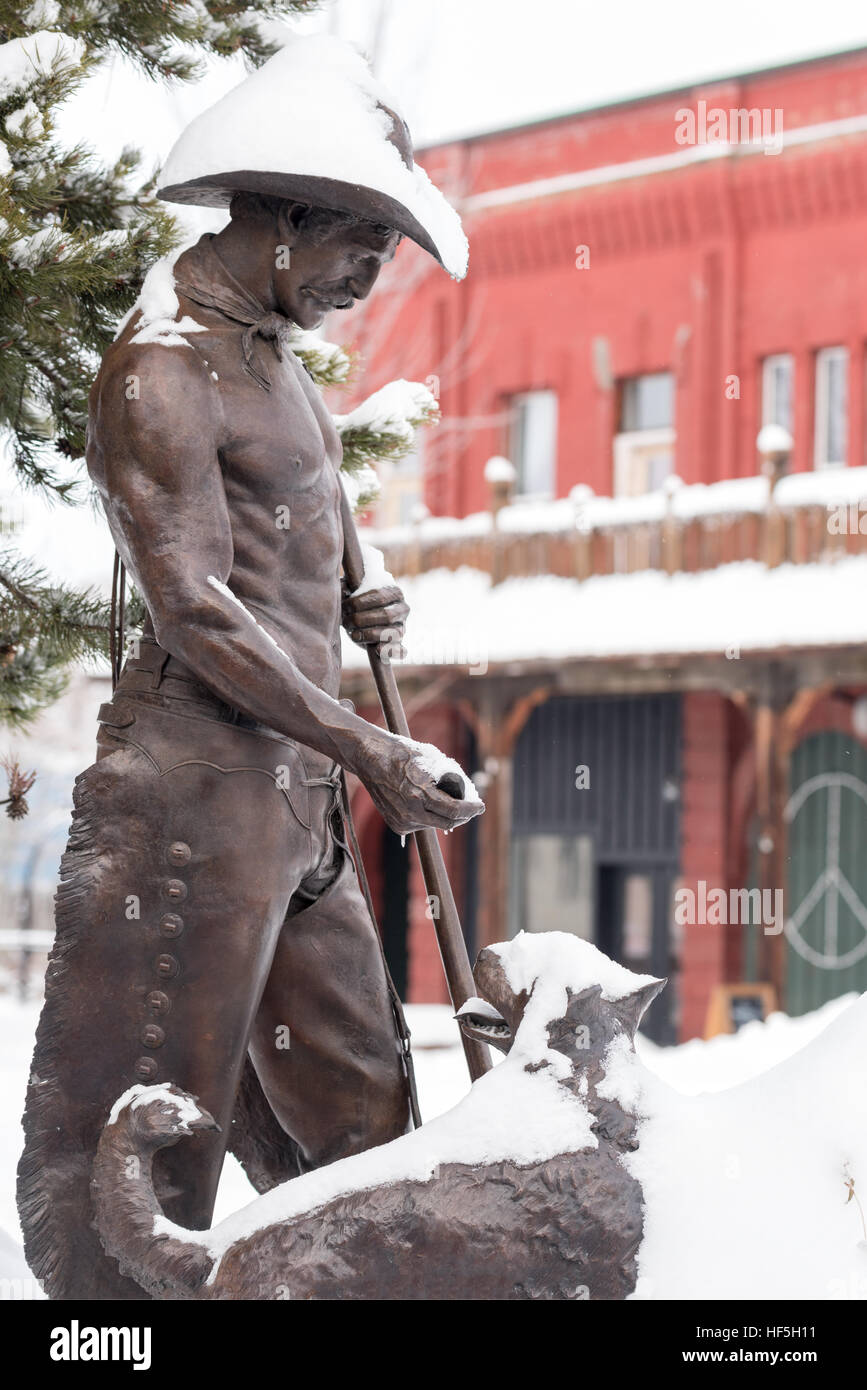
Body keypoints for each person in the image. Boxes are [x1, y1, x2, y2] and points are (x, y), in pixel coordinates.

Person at [18, 34, 479, 1301]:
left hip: (298, 795)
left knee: (366, 1110)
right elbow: (195, 607)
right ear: (279, 219)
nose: (363, 284)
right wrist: (370, 742)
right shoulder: (159, 370)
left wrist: (358, 584)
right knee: (159, 1124)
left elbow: (300, 522)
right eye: (356, 253)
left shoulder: (277, 366)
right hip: (195, 796)